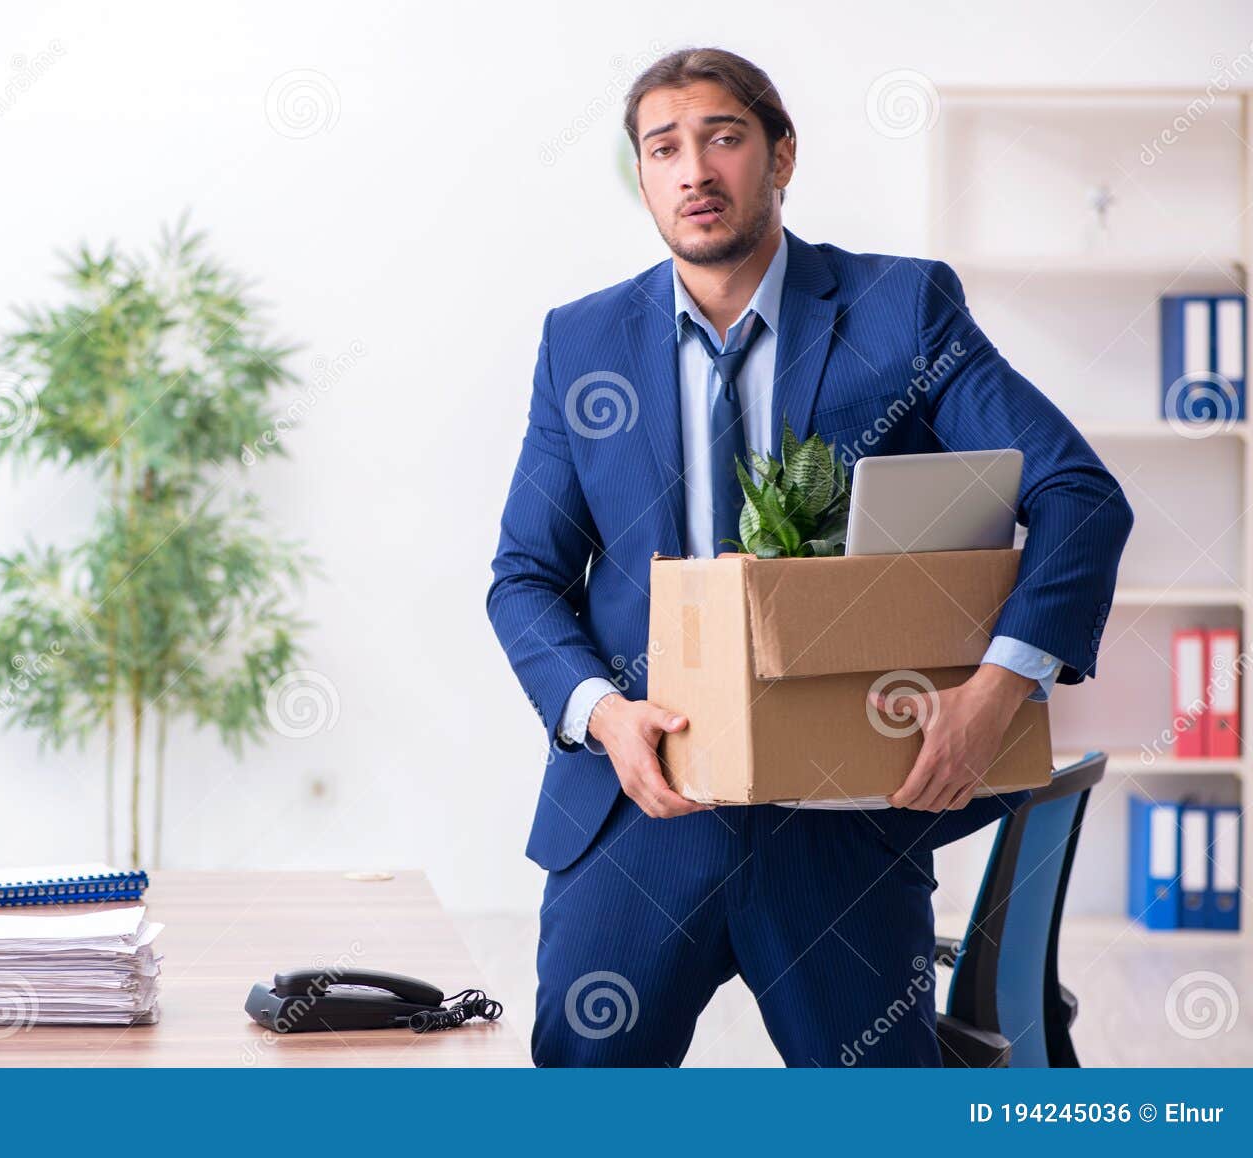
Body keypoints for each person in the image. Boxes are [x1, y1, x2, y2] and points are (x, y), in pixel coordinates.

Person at [485, 47, 1132, 1067]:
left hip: (844, 819)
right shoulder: (584, 344)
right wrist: (602, 715)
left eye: (723, 137)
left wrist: (995, 691)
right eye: (665, 148)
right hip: (646, 805)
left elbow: (1079, 499)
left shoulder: (900, 309)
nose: (694, 169)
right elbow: (524, 576)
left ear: (780, 155)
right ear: (644, 177)